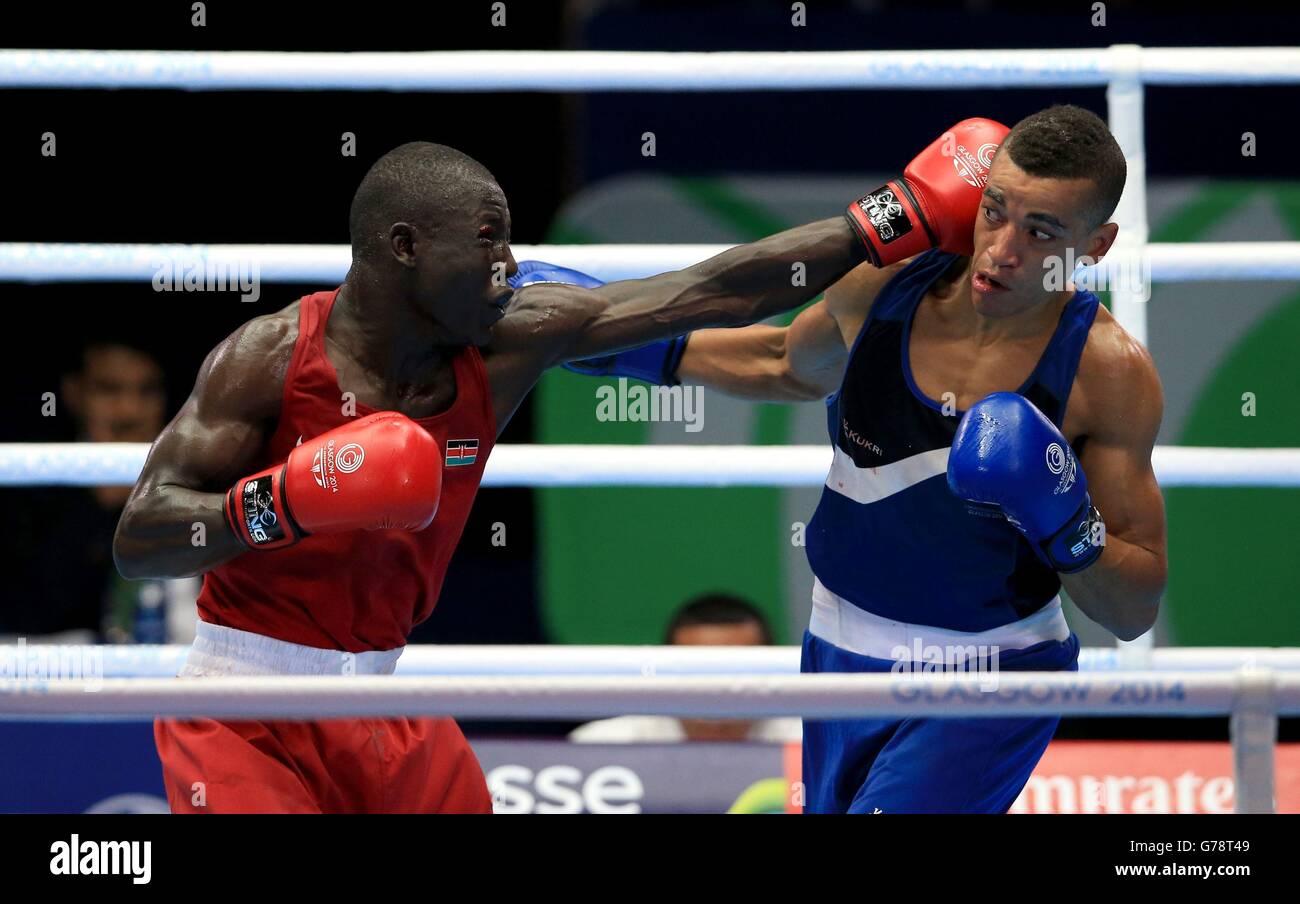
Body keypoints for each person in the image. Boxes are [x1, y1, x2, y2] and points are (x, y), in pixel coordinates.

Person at [111, 130, 960, 812]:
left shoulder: (512, 336)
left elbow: (715, 289)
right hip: (244, 701)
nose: (509, 265)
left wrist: (893, 215)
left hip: (380, 696)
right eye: (486, 241)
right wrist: (280, 503)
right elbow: (142, 535)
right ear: (404, 246)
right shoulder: (269, 357)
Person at [549, 105, 1168, 813]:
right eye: (994, 211)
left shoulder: (1106, 373)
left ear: (1097, 244)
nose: (1001, 248)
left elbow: (1133, 609)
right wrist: (608, 343)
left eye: (1041, 232)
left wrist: (1067, 522)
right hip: (836, 649)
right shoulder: (890, 284)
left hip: (992, 675)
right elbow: (784, 360)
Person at [0, 336, 197, 643]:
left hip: (164, 678)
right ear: (74, 393)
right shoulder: (24, 488)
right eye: (110, 390)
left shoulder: (194, 490)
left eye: (147, 391)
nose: (130, 411)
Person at [570, 593, 801, 743]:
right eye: (699, 674)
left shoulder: (807, 747)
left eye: (735, 674)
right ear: (664, 675)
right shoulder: (603, 746)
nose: (716, 693)